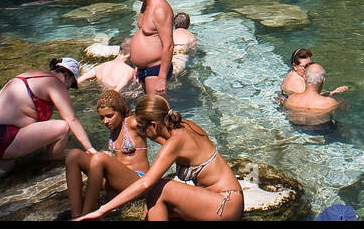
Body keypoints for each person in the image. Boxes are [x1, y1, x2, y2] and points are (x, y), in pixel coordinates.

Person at [76, 95, 243, 221]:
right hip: (221, 200)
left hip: (226, 204)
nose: (141, 132)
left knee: (157, 187)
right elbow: (163, 140)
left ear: (154, 125)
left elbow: (145, 183)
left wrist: (101, 210)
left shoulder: (175, 142)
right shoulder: (185, 125)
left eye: (141, 127)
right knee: (152, 207)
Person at [0, 57, 97, 170]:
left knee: (1, 172)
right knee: (63, 127)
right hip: (3, 139)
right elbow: (71, 119)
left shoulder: (33, 75)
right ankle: (53, 157)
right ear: (67, 77)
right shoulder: (56, 84)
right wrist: (90, 149)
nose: (68, 89)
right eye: (71, 86)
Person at [65, 88, 152, 218]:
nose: (105, 121)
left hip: (137, 180)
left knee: (99, 158)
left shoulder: (133, 123)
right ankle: (76, 215)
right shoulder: (113, 128)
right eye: (102, 117)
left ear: (121, 111)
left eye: (109, 116)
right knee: (73, 155)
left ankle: (86, 216)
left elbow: (163, 136)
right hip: (115, 182)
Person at [130, 0, 174, 94]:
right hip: (144, 68)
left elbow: (169, 45)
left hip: (156, 68)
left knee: (155, 111)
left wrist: (161, 78)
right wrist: (137, 65)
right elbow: (145, 35)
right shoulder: (145, 4)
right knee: (150, 109)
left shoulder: (160, 9)